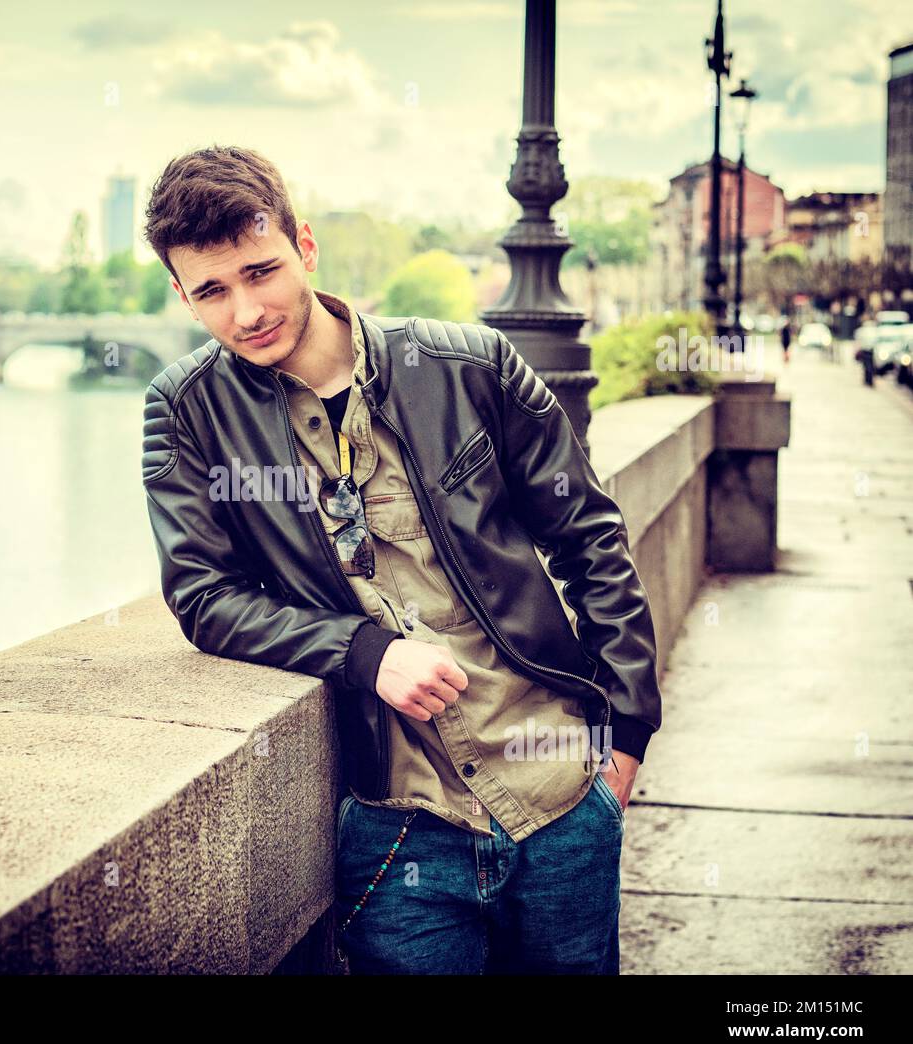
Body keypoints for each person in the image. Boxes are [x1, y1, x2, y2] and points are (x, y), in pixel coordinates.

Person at [140, 145, 661, 975]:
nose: (245, 311)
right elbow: (203, 595)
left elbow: (588, 532)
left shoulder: (471, 366)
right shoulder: (186, 412)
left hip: (559, 794)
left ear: (305, 247)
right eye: (211, 290)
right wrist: (363, 652)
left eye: (261, 271)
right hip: (395, 829)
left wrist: (627, 726)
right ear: (181, 293)